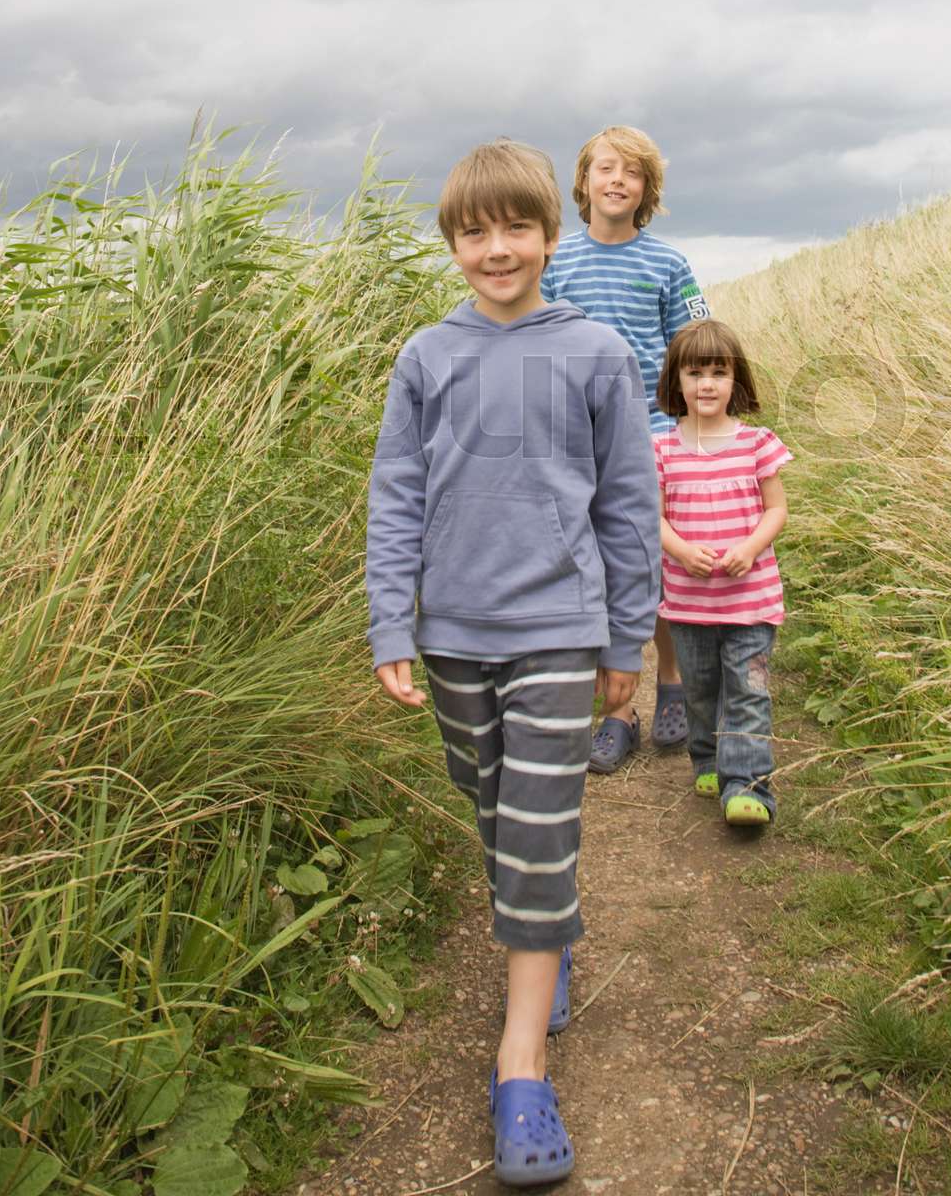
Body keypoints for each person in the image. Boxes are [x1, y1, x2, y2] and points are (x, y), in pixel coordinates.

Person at [366, 139, 659, 1187]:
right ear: (452, 242)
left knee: (539, 831)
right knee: (494, 811)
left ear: (550, 232)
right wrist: (389, 623)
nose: (498, 248)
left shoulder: (594, 353)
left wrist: (626, 637)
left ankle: (520, 1063)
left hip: (556, 631)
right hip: (451, 633)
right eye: (474, 230)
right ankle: (551, 936)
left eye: (517, 227)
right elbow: (395, 495)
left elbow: (630, 503)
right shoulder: (424, 357)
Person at [540, 125, 710, 772]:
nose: (617, 179)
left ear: (647, 190)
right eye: (604, 168)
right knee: (598, 571)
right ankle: (617, 713)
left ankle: (671, 683)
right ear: (583, 183)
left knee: (655, 567)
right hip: (581, 439)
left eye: (631, 172)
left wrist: (691, 427)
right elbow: (544, 347)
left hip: (656, 434)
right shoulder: (560, 263)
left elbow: (694, 345)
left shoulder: (668, 264)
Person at [654, 318, 791, 826]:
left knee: (748, 691)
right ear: (676, 383)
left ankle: (748, 786)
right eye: (694, 373)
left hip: (750, 599)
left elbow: (776, 510)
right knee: (701, 687)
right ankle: (708, 759)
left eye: (718, 372)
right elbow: (653, 516)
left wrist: (752, 547)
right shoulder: (663, 450)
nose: (706, 384)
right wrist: (683, 550)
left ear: (737, 381)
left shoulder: (756, 443)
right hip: (689, 604)